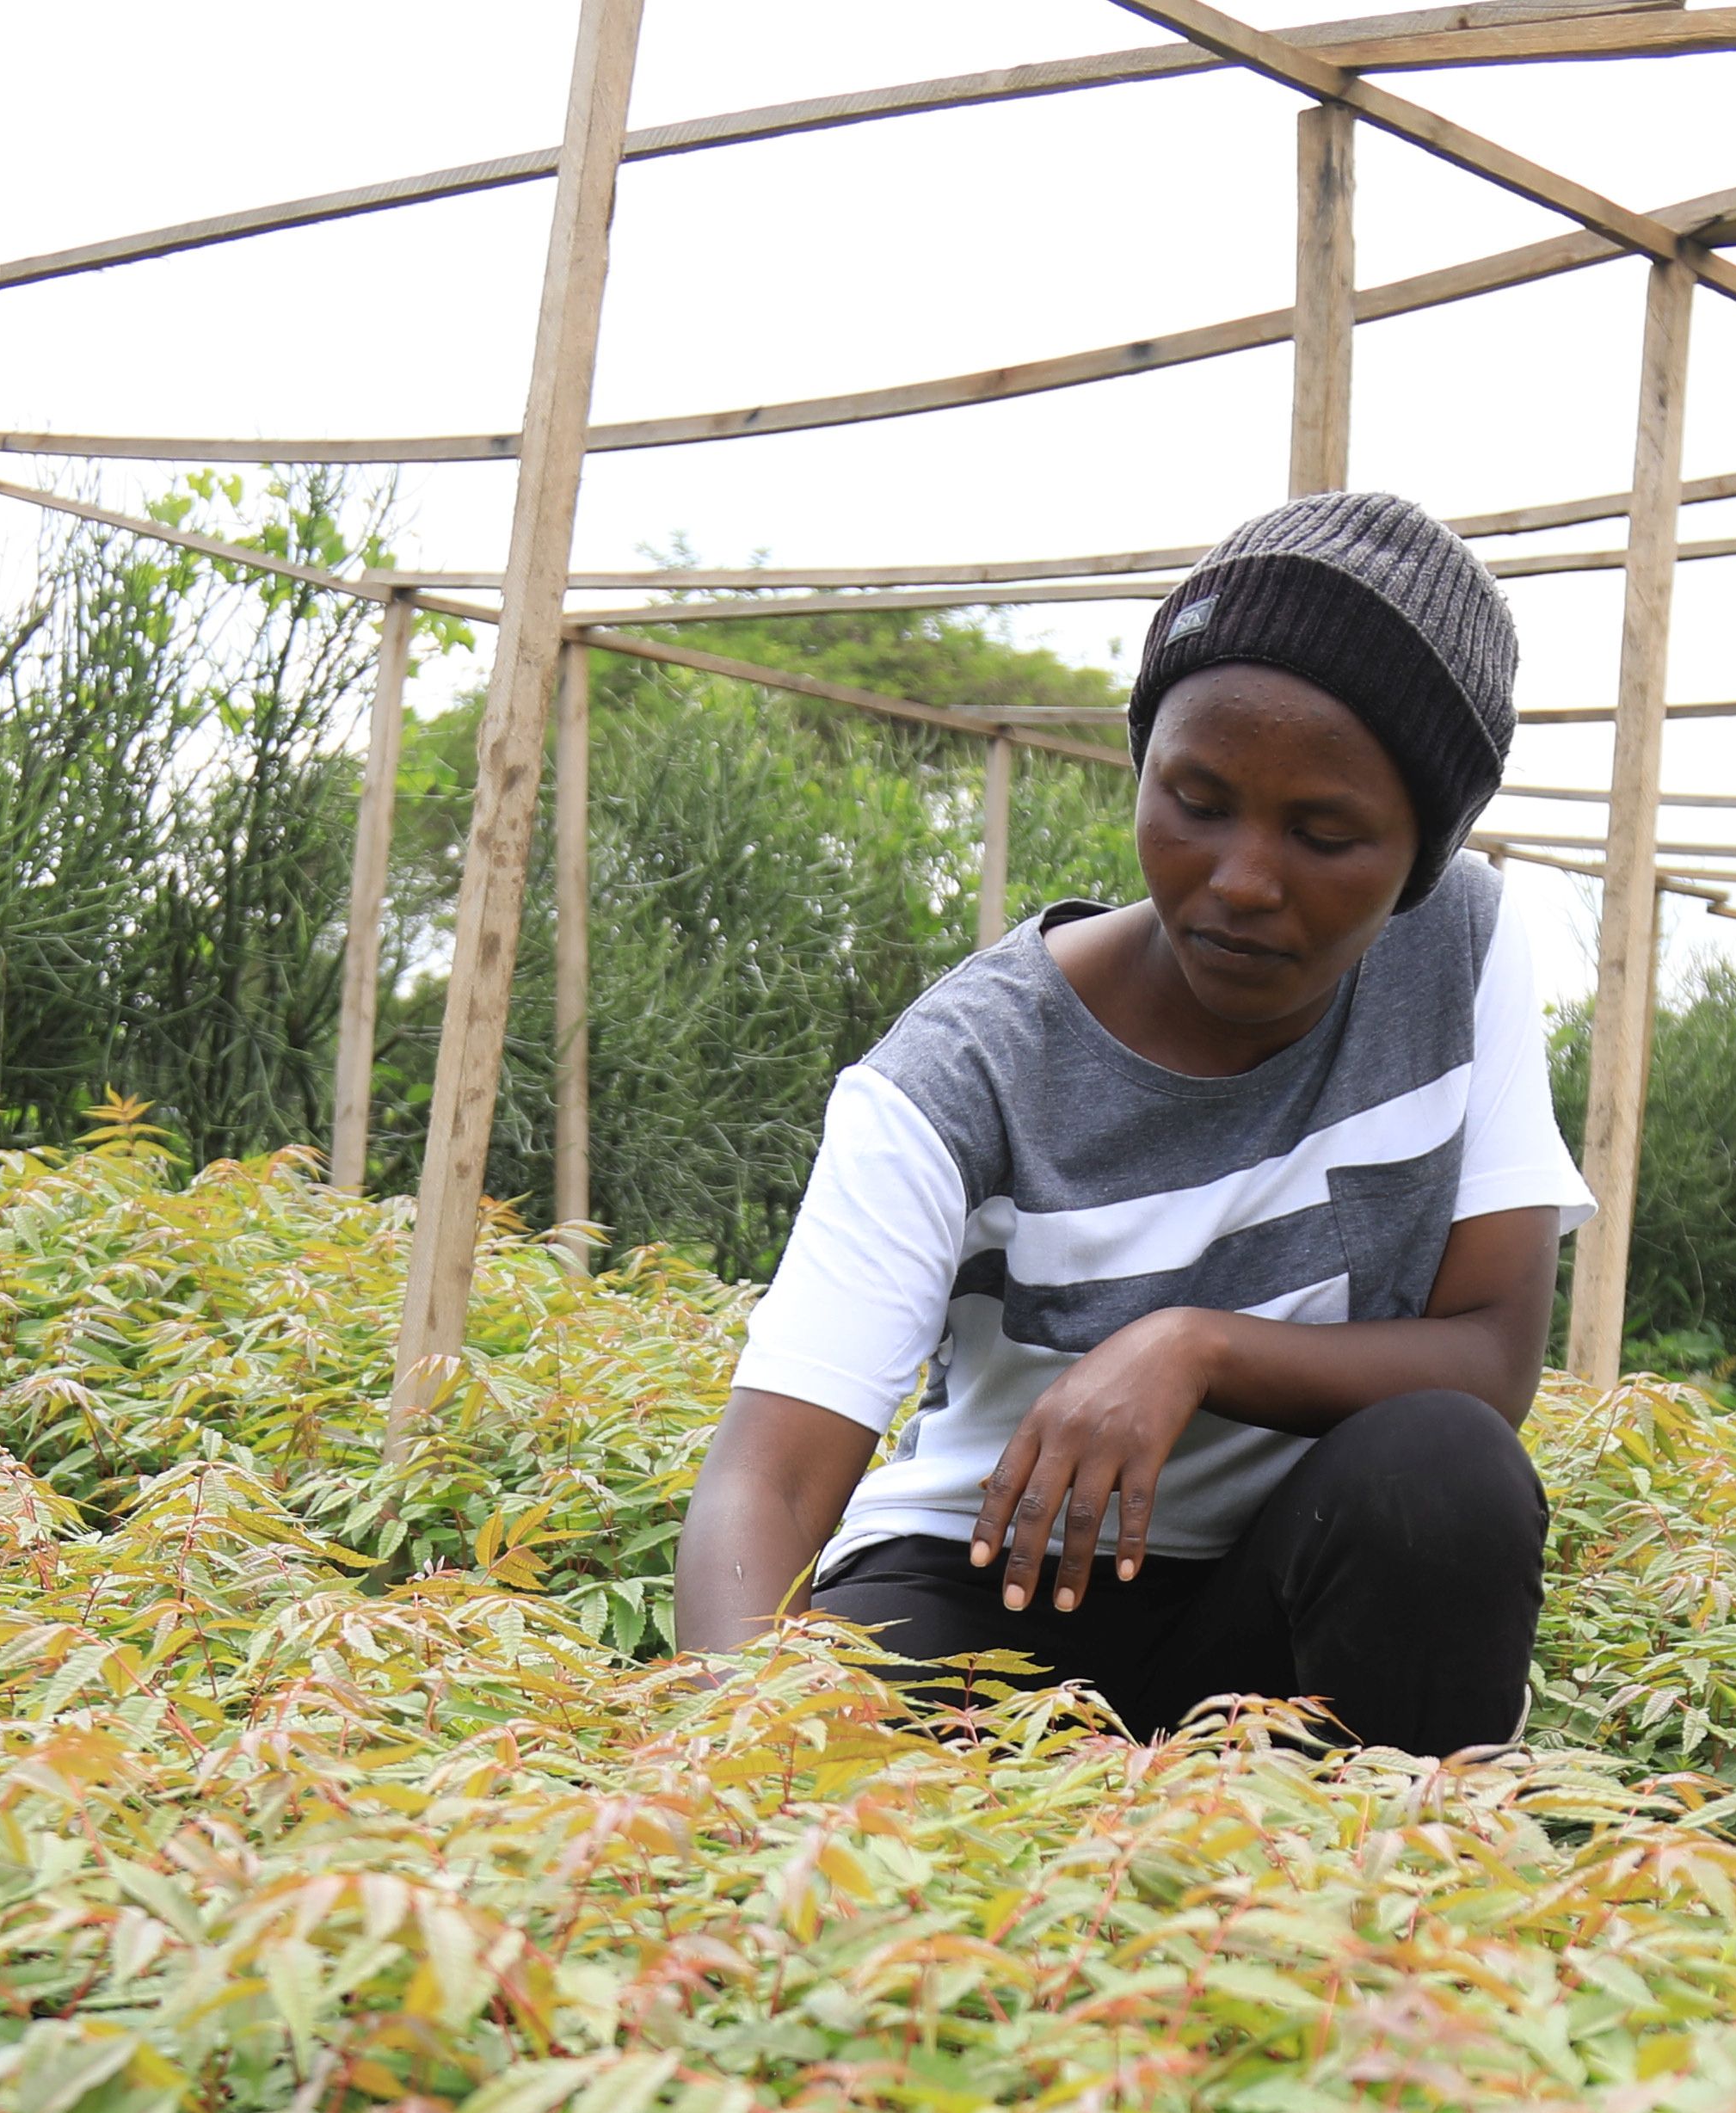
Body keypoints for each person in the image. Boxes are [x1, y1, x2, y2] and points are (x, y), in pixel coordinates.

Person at [667, 489, 1580, 1756]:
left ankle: (1400, 1861)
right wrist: (731, 1758)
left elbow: (1491, 1355)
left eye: (1325, 835)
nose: (1243, 880)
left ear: (1421, 856)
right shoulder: (962, 1070)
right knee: (855, 1753)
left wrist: (1193, 1348)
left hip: (1281, 1584)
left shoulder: (1459, 948)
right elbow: (767, 1475)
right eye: (1196, 801)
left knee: (1445, 1470)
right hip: (987, 1580)